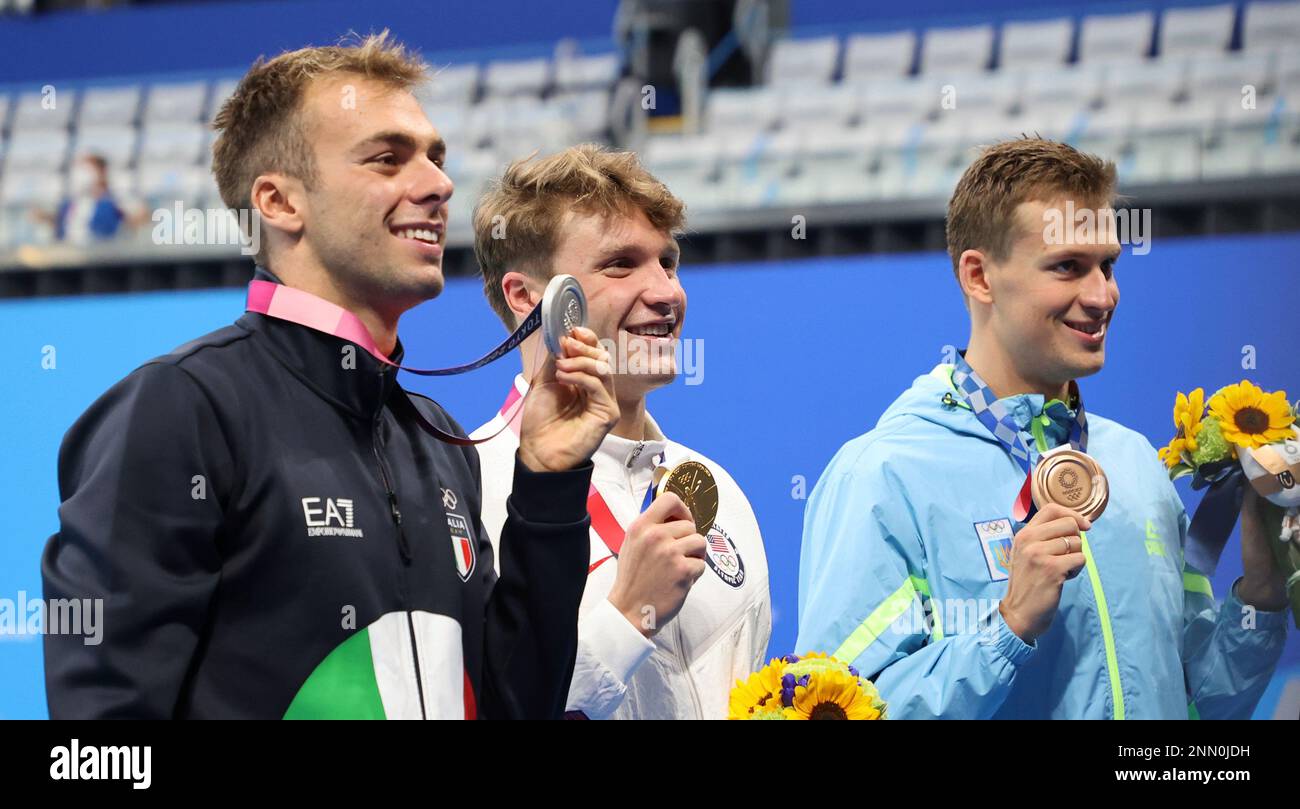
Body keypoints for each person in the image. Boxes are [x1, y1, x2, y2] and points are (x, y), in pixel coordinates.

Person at [42, 32, 619, 719]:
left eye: (436, 158)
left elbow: (515, 704)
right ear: (280, 203)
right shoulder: (181, 409)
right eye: (387, 158)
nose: (439, 184)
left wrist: (549, 484)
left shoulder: (436, 437)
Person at [796, 137, 1290, 719]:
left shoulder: (1133, 465)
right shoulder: (883, 475)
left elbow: (1199, 704)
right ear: (979, 276)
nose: (1103, 295)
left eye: (1107, 265)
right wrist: (1006, 630)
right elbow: (840, 709)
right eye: (1068, 267)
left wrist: (1262, 588)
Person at [469, 144, 771, 719]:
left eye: (669, 262)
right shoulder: (470, 489)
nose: (666, 293)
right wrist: (628, 616)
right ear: (527, 297)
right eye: (620, 265)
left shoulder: (716, 488)